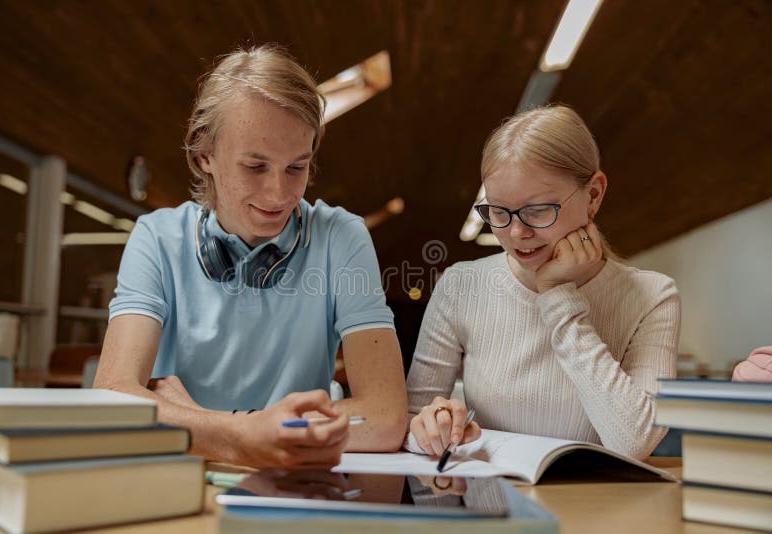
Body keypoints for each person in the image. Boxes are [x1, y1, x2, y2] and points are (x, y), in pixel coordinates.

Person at [94, 44, 407, 468]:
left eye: (296, 167)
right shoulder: (156, 237)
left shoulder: (342, 237)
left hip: (290, 486)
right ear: (204, 155)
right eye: (255, 167)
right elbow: (112, 399)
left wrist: (201, 424)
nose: (279, 195)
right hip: (178, 482)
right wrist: (249, 436)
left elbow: (386, 418)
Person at [406, 104, 681, 461]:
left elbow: (634, 443)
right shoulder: (462, 286)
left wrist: (558, 297)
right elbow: (411, 423)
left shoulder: (653, 297)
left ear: (594, 194)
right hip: (494, 509)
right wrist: (433, 431)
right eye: (498, 212)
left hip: (600, 511)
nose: (517, 233)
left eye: (538, 210)